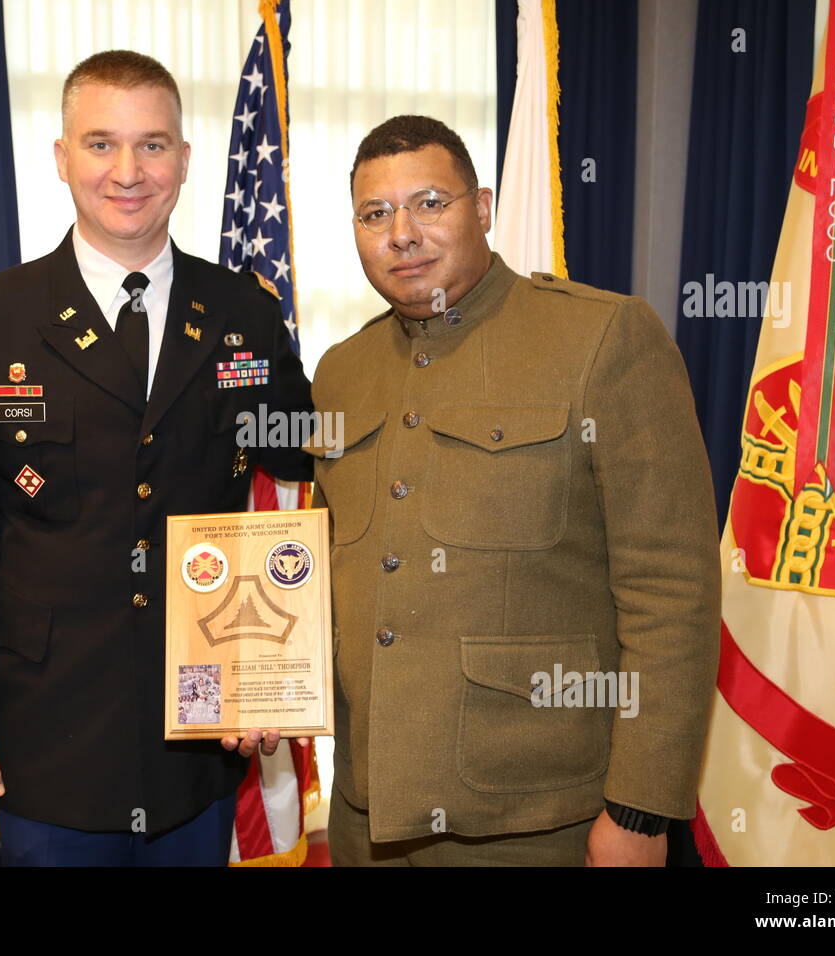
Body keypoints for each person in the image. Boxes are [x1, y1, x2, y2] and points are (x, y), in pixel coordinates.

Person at [0, 50, 312, 866]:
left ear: (185, 162)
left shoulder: (245, 313)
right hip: (45, 744)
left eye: (153, 145)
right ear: (61, 158)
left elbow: (304, 463)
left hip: (199, 741)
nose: (128, 171)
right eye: (100, 144)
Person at [306, 115, 721, 866]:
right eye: (375, 213)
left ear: (484, 209)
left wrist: (640, 811)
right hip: (367, 818)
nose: (401, 233)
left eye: (430, 203)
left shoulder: (603, 338)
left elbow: (672, 591)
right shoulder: (341, 370)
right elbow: (325, 578)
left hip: (541, 824)